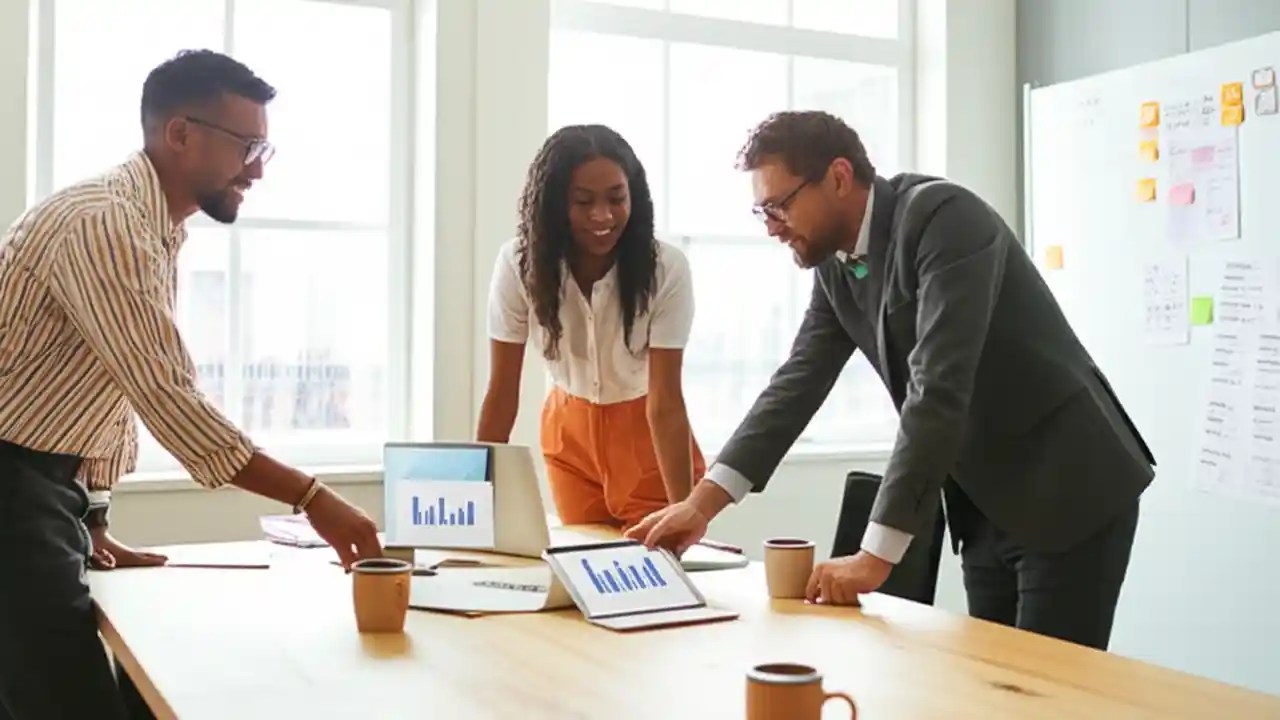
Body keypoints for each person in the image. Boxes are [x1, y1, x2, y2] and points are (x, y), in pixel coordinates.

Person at [629, 110, 1155, 651]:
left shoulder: (947, 220)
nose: (770, 226)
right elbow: (796, 384)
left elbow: (938, 385)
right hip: (986, 502)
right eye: (761, 210)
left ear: (837, 176)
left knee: (1050, 697)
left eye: (779, 205)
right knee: (996, 684)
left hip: (1068, 482)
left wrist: (874, 556)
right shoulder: (836, 265)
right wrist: (700, 505)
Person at [0, 50, 381, 720]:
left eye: (265, 147)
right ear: (180, 134)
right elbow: (167, 398)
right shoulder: (105, 223)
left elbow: (105, 393)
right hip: (12, 483)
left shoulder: (151, 228)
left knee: (128, 694)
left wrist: (93, 516)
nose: (257, 169)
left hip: (42, 486)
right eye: (246, 145)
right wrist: (313, 497)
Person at [477, 124, 705, 532]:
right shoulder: (518, 264)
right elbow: (501, 391)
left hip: (648, 435)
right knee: (586, 570)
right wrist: (474, 497)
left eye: (617, 199)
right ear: (553, 205)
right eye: (583, 202)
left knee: (657, 573)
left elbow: (666, 401)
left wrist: (684, 513)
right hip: (568, 438)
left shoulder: (666, 268)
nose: (602, 216)